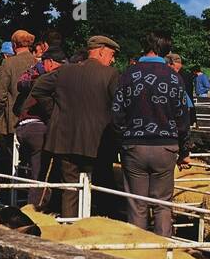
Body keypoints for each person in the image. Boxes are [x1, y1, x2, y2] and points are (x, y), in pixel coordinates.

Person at [111, 32, 191, 237]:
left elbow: (117, 113)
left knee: (137, 204)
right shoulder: (174, 77)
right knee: (162, 204)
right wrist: (184, 150)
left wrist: (123, 140)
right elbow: (183, 117)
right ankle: (163, 253)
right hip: (165, 146)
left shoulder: (128, 74)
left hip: (134, 145)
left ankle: (139, 252)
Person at [42, 34, 121, 219]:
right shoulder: (111, 74)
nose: (113, 59)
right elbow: (118, 106)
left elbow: (39, 88)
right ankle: (100, 232)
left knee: (70, 190)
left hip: (65, 140)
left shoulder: (65, 70)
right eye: (112, 54)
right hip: (98, 142)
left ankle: (69, 229)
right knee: (102, 189)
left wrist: (55, 113)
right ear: (101, 51)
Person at [15, 44, 66, 207]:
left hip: (22, 126)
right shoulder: (50, 80)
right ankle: (34, 209)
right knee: (41, 173)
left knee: (34, 169)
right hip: (38, 128)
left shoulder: (31, 75)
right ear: (50, 62)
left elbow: (21, 83)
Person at [0, 30, 37, 174]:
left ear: (14, 44)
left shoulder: (8, 63)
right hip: (36, 118)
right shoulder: (37, 62)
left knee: (12, 160)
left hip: (13, 119)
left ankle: (12, 191)